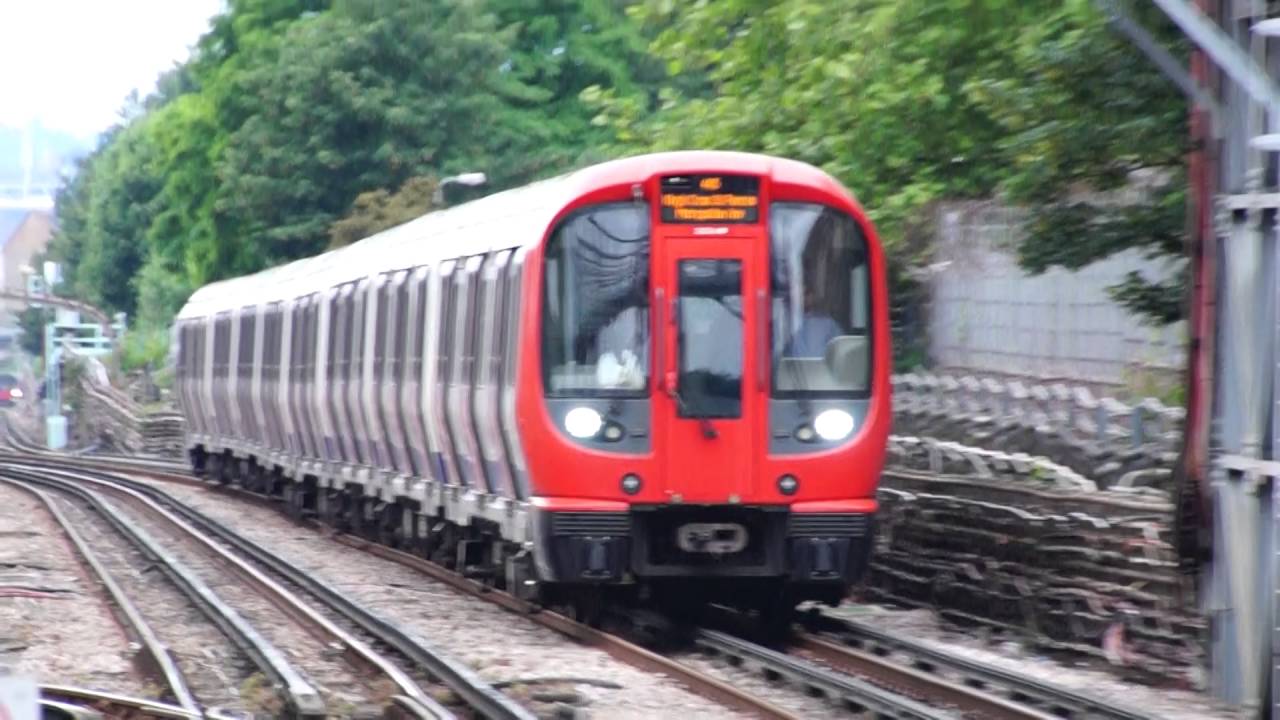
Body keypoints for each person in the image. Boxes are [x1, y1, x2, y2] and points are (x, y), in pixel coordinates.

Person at [784, 289, 842, 358]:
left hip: (821, 367)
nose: (803, 298)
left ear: (813, 296)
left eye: (806, 293)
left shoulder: (828, 323)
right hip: (792, 367)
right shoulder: (785, 324)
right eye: (799, 294)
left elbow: (841, 350)